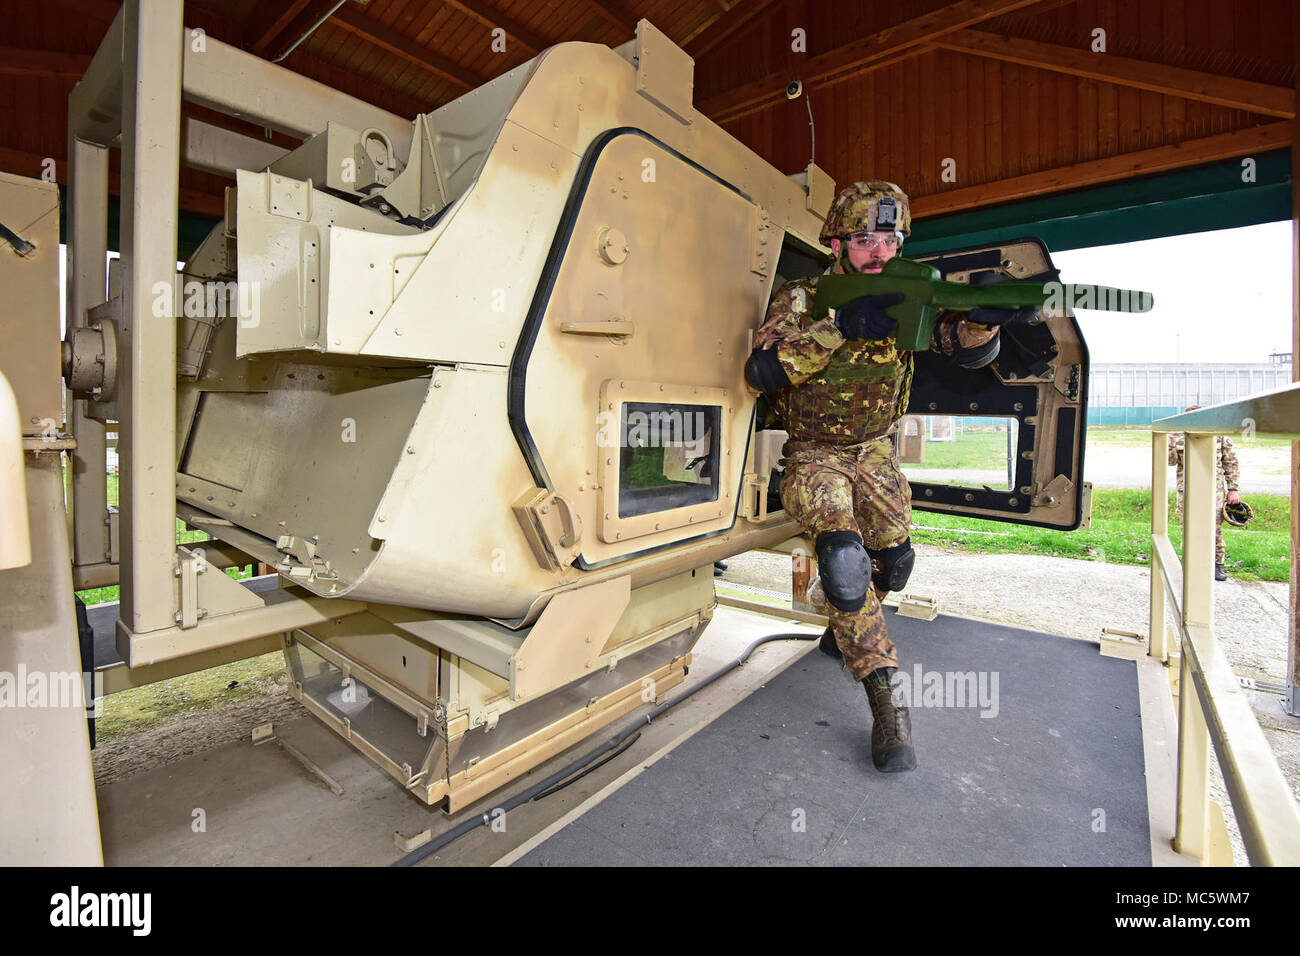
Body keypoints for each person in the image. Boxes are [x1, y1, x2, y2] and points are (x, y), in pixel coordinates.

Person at [743, 180, 1028, 773]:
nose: (881, 252)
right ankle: (886, 701)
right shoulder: (803, 297)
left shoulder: (904, 290)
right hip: (815, 453)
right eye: (867, 239)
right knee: (846, 562)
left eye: (892, 239)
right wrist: (842, 324)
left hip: (875, 451)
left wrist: (984, 324)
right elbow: (763, 371)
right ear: (837, 242)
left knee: (892, 564)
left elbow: (959, 349)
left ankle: (841, 624)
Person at [1167, 407, 1242, 581]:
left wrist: (1233, 489)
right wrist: (1171, 444)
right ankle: (1191, 563)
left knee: (1214, 528)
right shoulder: (1179, 435)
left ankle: (1216, 565)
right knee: (1187, 526)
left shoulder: (1218, 435)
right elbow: (1170, 462)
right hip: (1187, 489)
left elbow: (1231, 463)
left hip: (1213, 490)